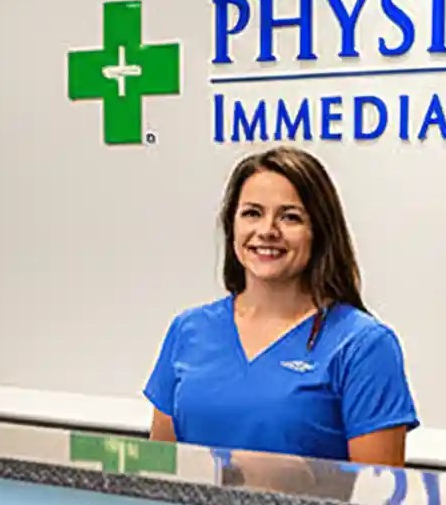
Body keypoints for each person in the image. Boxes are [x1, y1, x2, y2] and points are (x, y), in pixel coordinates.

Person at [143, 146, 419, 467]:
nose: (267, 231)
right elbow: (159, 473)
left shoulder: (364, 345)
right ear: (231, 225)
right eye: (252, 213)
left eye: (290, 217)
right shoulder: (188, 330)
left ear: (320, 232)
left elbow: (379, 500)